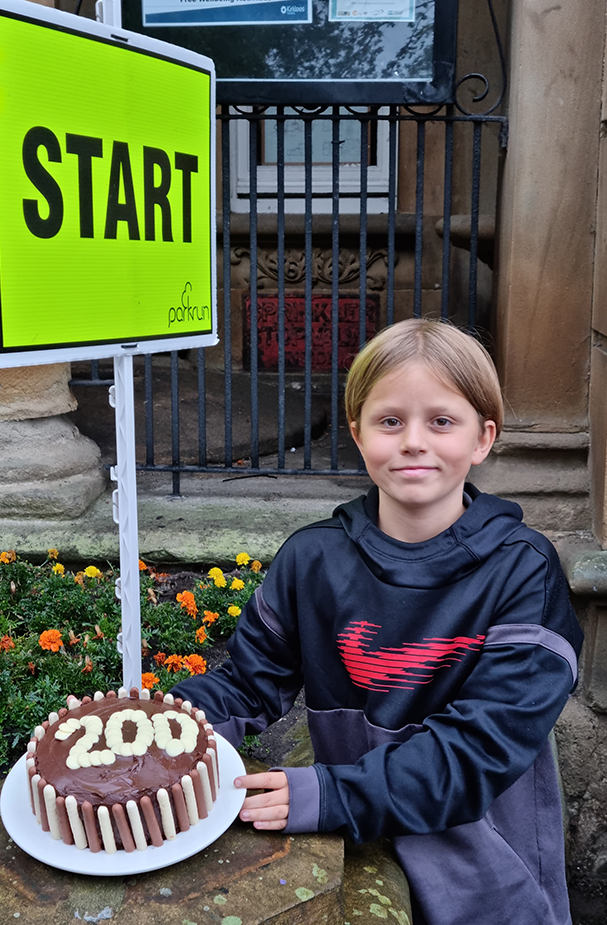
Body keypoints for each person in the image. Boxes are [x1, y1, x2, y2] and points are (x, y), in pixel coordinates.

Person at [176, 318, 583, 925]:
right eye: (390, 421)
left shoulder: (524, 571)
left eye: (441, 421)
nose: (413, 441)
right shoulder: (312, 559)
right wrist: (159, 728)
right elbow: (247, 685)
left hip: (484, 869)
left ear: (483, 438)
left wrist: (333, 793)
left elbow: (481, 748)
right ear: (358, 433)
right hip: (359, 846)